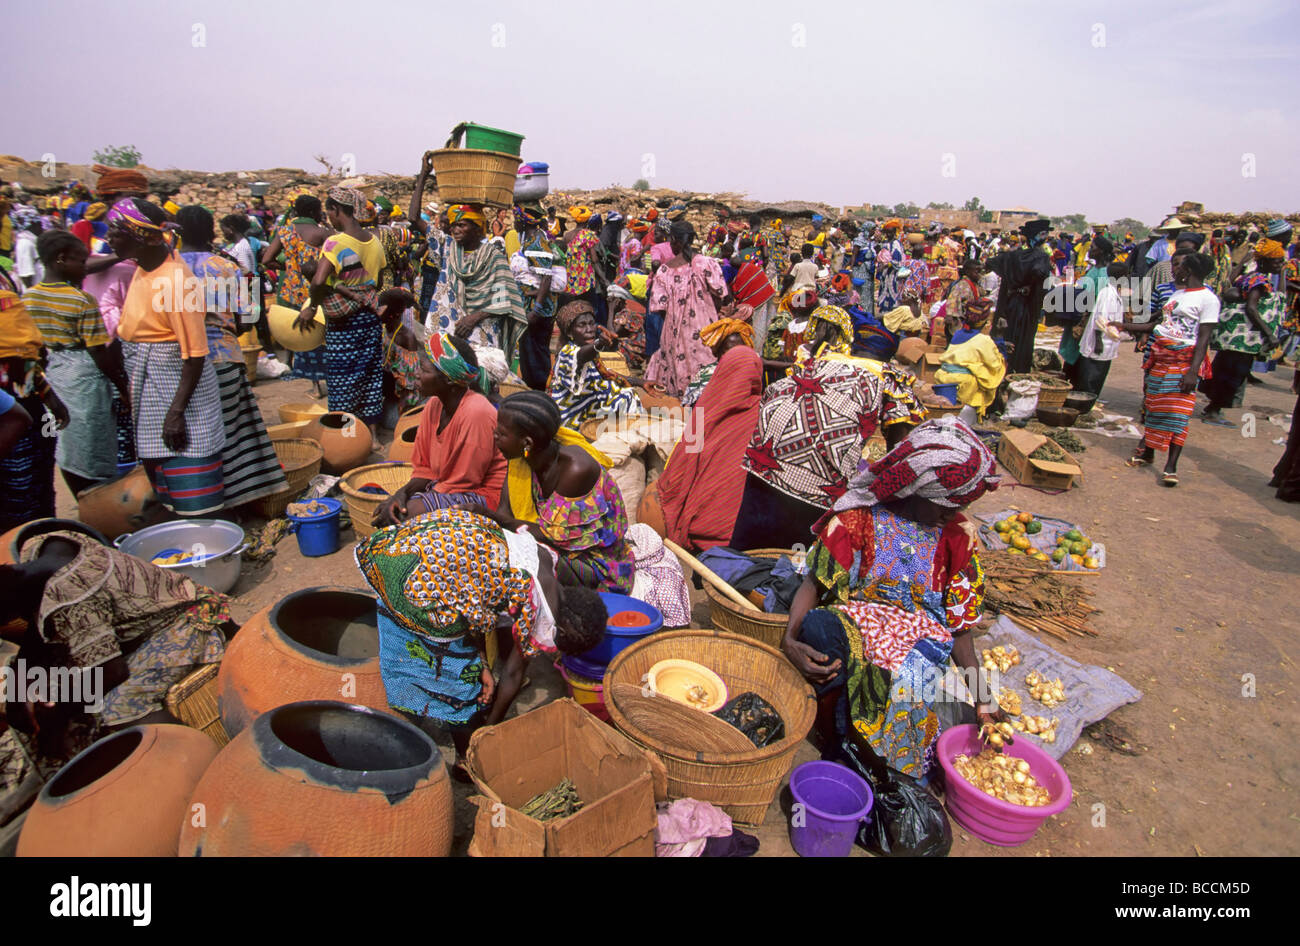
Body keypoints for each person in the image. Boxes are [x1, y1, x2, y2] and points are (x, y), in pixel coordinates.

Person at [780, 417, 1001, 775]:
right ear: (916, 488)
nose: (950, 514)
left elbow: (960, 628)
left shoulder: (958, 535)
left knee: (909, 683)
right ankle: (840, 743)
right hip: (857, 626)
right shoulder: (859, 518)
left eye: (956, 507)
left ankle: (878, 767)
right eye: (944, 505)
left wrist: (982, 695)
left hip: (920, 641)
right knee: (820, 629)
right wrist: (789, 638)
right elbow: (814, 583)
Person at [354, 507, 607, 779]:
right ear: (568, 634)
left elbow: (473, 596)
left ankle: (412, 706)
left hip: (422, 543)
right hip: (422, 575)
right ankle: (467, 757)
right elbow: (512, 674)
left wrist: (483, 663)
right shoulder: (543, 612)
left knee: (457, 659)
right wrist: (488, 729)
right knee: (458, 677)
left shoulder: (544, 559)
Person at [0, 527, 231, 763]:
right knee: (47, 678)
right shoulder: (40, 545)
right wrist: (19, 688)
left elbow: (112, 672)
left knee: (113, 708)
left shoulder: (70, 597)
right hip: (138, 626)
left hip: (185, 623)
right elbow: (36, 626)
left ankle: (195, 757)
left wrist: (60, 712)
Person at [732, 352, 926, 551]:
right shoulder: (890, 379)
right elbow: (898, 450)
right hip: (819, 462)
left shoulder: (823, 360)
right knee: (803, 536)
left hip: (772, 439)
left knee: (756, 523)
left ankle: (734, 565)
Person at [109, 198, 227, 515]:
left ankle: (202, 540)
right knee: (162, 470)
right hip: (150, 380)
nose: (109, 238)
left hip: (175, 383)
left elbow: (195, 355)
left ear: (144, 236)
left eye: (116, 231)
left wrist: (176, 413)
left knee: (186, 458)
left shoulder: (176, 280)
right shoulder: (144, 267)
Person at [176, 206, 287, 509]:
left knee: (190, 434)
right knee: (231, 431)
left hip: (176, 363)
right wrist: (225, 328)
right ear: (212, 230)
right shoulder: (226, 266)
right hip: (223, 357)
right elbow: (249, 317)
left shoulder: (164, 269)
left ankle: (198, 501)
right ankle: (237, 500)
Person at [487, 391, 635, 592]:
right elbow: (505, 511)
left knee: (532, 558)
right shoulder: (521, 459)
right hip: (552, 545)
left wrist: (487, 516)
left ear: (527, 443)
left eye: (502, 434)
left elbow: (551, 536)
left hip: (596, 565)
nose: (495, 436)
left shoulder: (576, 469)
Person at [23, 229, 130, 497]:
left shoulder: (29, 297)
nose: (85, 269)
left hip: (54, 374)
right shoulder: (81, 301)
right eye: (80, 262)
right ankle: (96, 499)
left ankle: (77, 494)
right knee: (92, 439)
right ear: (61, 259)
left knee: (65, 439)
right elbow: (98, 353)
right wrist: (121, 385)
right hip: (84, 376)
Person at [373, 333, 506, 527]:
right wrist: (401, 493)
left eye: (424, 370)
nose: (417, 374)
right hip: (447, 486)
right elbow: (424, 468)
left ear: (449, 380)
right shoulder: (434, 405)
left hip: (484, 497)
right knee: (393, 508)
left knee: (401, 517)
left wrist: (412, 503)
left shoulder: (476, 412)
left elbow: (464, 481)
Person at [649, 324, 762, 551]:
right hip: (740, 534)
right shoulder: (762, 414)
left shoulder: (702, 410)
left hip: (698, 526)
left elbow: (679, 466)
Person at [1122, 252, 1218, 486]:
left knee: (1178, 414)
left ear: (1191, 271)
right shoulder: (1177, 294)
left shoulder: (1208, 299)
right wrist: (1124, 326)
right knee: (1154, 407)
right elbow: (1159, 324)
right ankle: (1149, 452)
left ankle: (1171, 465)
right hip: (1160, 358)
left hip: (1183, 362)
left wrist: (1193, 372)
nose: (1176, 270)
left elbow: (1203, 339)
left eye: (1181, 266)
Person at [298, 187, 386, 437]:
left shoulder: (336, 242)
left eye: (329, 212)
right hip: (369, 318)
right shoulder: (374, 241)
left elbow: (318, 281)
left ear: (336, 210)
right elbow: (377, 282)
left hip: (344, 324)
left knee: (342, 377)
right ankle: (371, 434)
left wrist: (312, 307)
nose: (328, 218)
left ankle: (343, 437)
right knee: (370, 374)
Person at [0, 268, 68, 531]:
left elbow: (26, 353)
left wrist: (49, 397)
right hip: (28, 405)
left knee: (28, 492)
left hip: (25, 408)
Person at [1200, 238, 1286, 426]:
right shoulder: (1259, 281)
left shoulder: (1251, 277)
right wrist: (1269, 334)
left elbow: (1228, 283)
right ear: (1264, 262)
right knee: (1232, 375)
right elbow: (1252, 308)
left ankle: (1213, 408)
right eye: (1277, 261)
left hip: (1235, 339)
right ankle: (1213, 411)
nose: (1280, 264)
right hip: (1243, 339)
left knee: (1224, 370)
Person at [432, 204, 528, 359]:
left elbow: (502, 299)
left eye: (461, 225)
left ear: (477, 228)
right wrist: (422, 179)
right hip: (452, 327)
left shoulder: (493, 257)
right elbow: (414, 219)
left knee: (481, 374)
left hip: (483, 329)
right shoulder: (449, 253)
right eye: (453, 226)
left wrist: (472, 319)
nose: (455, 230)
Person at [645, 221, 727, 397]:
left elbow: (659, 309)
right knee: (707, 373)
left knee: (677, 374)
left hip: (674, 335)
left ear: (674, 240)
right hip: (707, 332)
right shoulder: (707, 263)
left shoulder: (664, 272)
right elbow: (721, 294)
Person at [263, 193, 331, 396]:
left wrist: (289, 267)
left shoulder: (284, 231)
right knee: (321, 332)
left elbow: (267, 260)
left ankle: (314, 384)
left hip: (290, 289)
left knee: (301, 332)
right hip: (316, 287)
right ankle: (329, 378)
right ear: (313, 212)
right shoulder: (321, 233)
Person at [548, 299, 644, 429]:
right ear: (570, 333)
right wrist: (599, 343)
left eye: (591, 323)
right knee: (623, 397)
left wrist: (642, 383)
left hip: (587, 411)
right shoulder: (568, 353)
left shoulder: (592, 355)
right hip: (569, 418)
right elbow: (582, 355)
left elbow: (608, 374)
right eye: (582, 325)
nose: (589, 329)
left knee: (625, 395)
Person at [986, 218, 1054, 374]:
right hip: (1027, 307)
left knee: (1006, 336)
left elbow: (991, 263)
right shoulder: (1041, 257)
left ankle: (1001, 372)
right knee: (1022, 340)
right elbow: (1040, 273)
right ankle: (1016, 372)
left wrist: (1013, 280)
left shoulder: (1013, 256)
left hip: (1009, 303)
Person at [510, 204, 563, 389]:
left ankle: (540, 393)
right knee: (531, 354)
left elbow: (546, 277)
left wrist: (536, 309)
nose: (513, 223)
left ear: (522, 221)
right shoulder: (532, 240)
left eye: (515, 219)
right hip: (531, 307)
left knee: (535, 357)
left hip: (537, 312)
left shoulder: (536, 243)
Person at [1074, 260, 1129, 397]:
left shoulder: (1115, 293)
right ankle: (1086, 400)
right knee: (1092, 375)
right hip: (1100, 341)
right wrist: (1098, 340)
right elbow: (1101, 318)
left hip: (1108, 341)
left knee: (1099, 373)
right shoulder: (1107, 293)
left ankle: (1091, 399)